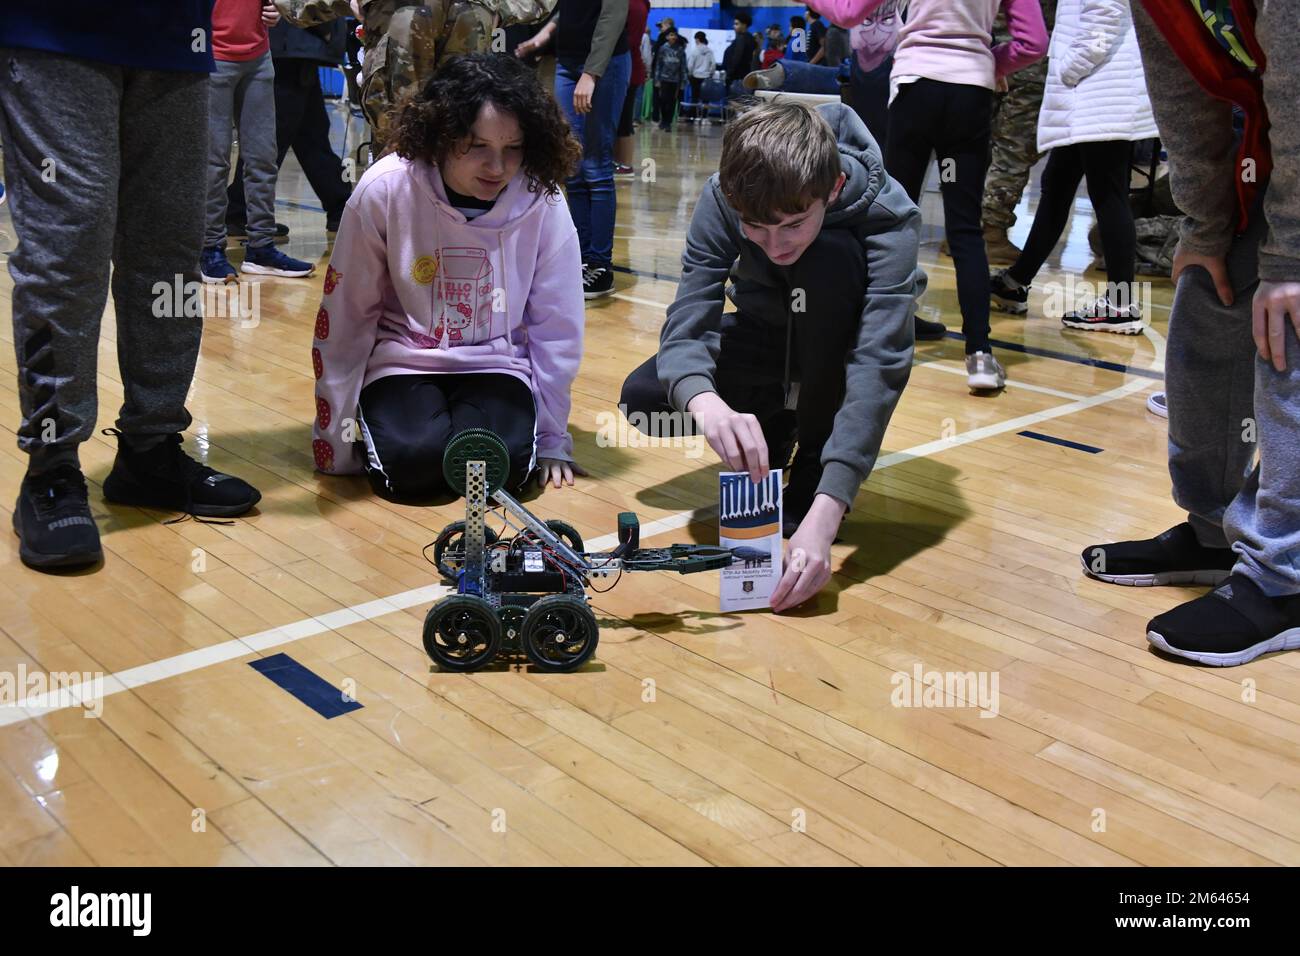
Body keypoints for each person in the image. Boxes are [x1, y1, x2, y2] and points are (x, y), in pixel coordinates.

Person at [619, 101, 922, 612]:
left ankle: (815, 449)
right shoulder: (724, 195)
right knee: (648, 397)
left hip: (837, 351)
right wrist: (707, 404)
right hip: (767, 334)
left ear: (834, 189)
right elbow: (689, 318)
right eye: (755, 228)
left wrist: (828, 510)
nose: (774, 244)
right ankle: (776, 427)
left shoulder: (890, 216)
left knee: (829, 257)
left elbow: (880, 362)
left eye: (792, 224)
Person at [0, 3, 263, 571]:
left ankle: (150, 450)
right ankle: (52, 468)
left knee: (169, 253)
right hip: (52, 32)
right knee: (69, 251)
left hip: (176, 39)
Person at [1082, 0, 1300, 665]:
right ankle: (1216, 533)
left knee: (1289, 328)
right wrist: (1206, 228)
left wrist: (1291, 253)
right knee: (1210, 294)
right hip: (1272, 136)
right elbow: (1183, 94)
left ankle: (1286, 577)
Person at [311, 53, 585, 499]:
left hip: (498, 362)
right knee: (413, 466)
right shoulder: (385, 189)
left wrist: (554, 439)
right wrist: (334, 439)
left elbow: (558, 326)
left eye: (512, 148)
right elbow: (345, 319)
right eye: (477, 147)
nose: (497, 168)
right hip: (402, 361)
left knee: (503, 470)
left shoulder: (542, 199)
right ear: (440, 136)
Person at [812, 0, 1047, 391]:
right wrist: (992, 64)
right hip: (970, 94)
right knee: (966, 230)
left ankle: (861, 336)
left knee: (887, 215)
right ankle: (980, 357)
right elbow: (1034, 43)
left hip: (915, 87)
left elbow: (849, 12)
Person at [989, 0, 1156, 334]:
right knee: (1057, 184)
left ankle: (1121, 304)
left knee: (1108, 194)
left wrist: (1068, 69)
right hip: (1090, 93)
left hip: (1100, 91)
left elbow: (1104, 17)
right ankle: (1017, 280)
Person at [277, 0, 559, 157]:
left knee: (452, 144)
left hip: (421, 23)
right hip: (409, 24)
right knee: (405, 147)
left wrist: (499, 7)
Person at [516, 0, 631, 300]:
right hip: (567, 64)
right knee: (573, 166)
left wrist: (592, 73)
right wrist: (544, 35)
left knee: (596, 166)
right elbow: (568, 8)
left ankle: (601, 266)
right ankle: (579, 258)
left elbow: (612, 15)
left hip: (602, 65)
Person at [202, 0, 317, 283]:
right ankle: (210, 248)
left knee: (263, 157)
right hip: (210, 55)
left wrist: (275, 10)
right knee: (214, 161)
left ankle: (261, 247)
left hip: (258, 57)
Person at [226, 15, 354, 237]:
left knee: (310, 135)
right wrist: (325, 28)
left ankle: (340, 206)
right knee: (271, 140)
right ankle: (241, 211)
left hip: (294, 47)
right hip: (292, 47)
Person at [980, 0, 1057, 263]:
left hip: (986, 51)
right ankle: (990, 233)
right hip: (1028, 60)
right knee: (1013, 151)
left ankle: (964, 227)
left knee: (975, 146)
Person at [614, 0, 651, 175]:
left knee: (624, 120)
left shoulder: (636, 4)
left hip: (629, 70)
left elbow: (631, 40)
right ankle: (618, 161)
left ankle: (625, 164)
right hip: (626, 68)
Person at [654, 28, 686, 131]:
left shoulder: (680, 50)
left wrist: (683, 81)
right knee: (663, 101)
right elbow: (659, 64)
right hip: (664, 79)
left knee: (672, 102)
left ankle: (668, 122)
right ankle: (663, 120)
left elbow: (683, 67)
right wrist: (657, 80)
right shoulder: (663, 48)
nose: (673, 37)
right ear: (667, 37)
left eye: (674, 35)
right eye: (671, 35)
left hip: (675, 80)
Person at [721, 12, 757, 102]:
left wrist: (729, 73)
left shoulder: (742, 39)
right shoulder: (749, 38)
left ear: (744, 25)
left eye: (736, 24)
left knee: (734, 106)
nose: (734, 26)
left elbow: (737, 58)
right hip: (743, 77)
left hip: (736, 79)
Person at [686, 32, 716, 122]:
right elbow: (713, 65)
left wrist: (690, 73)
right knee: (706, 99)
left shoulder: (694, 51)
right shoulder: (709, 51)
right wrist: (710, 73)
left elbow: (690, 65)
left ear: (697, 39)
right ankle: (704, 117)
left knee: (694, 97)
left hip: (695, 77)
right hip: (706, 77)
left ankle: (693, 117)